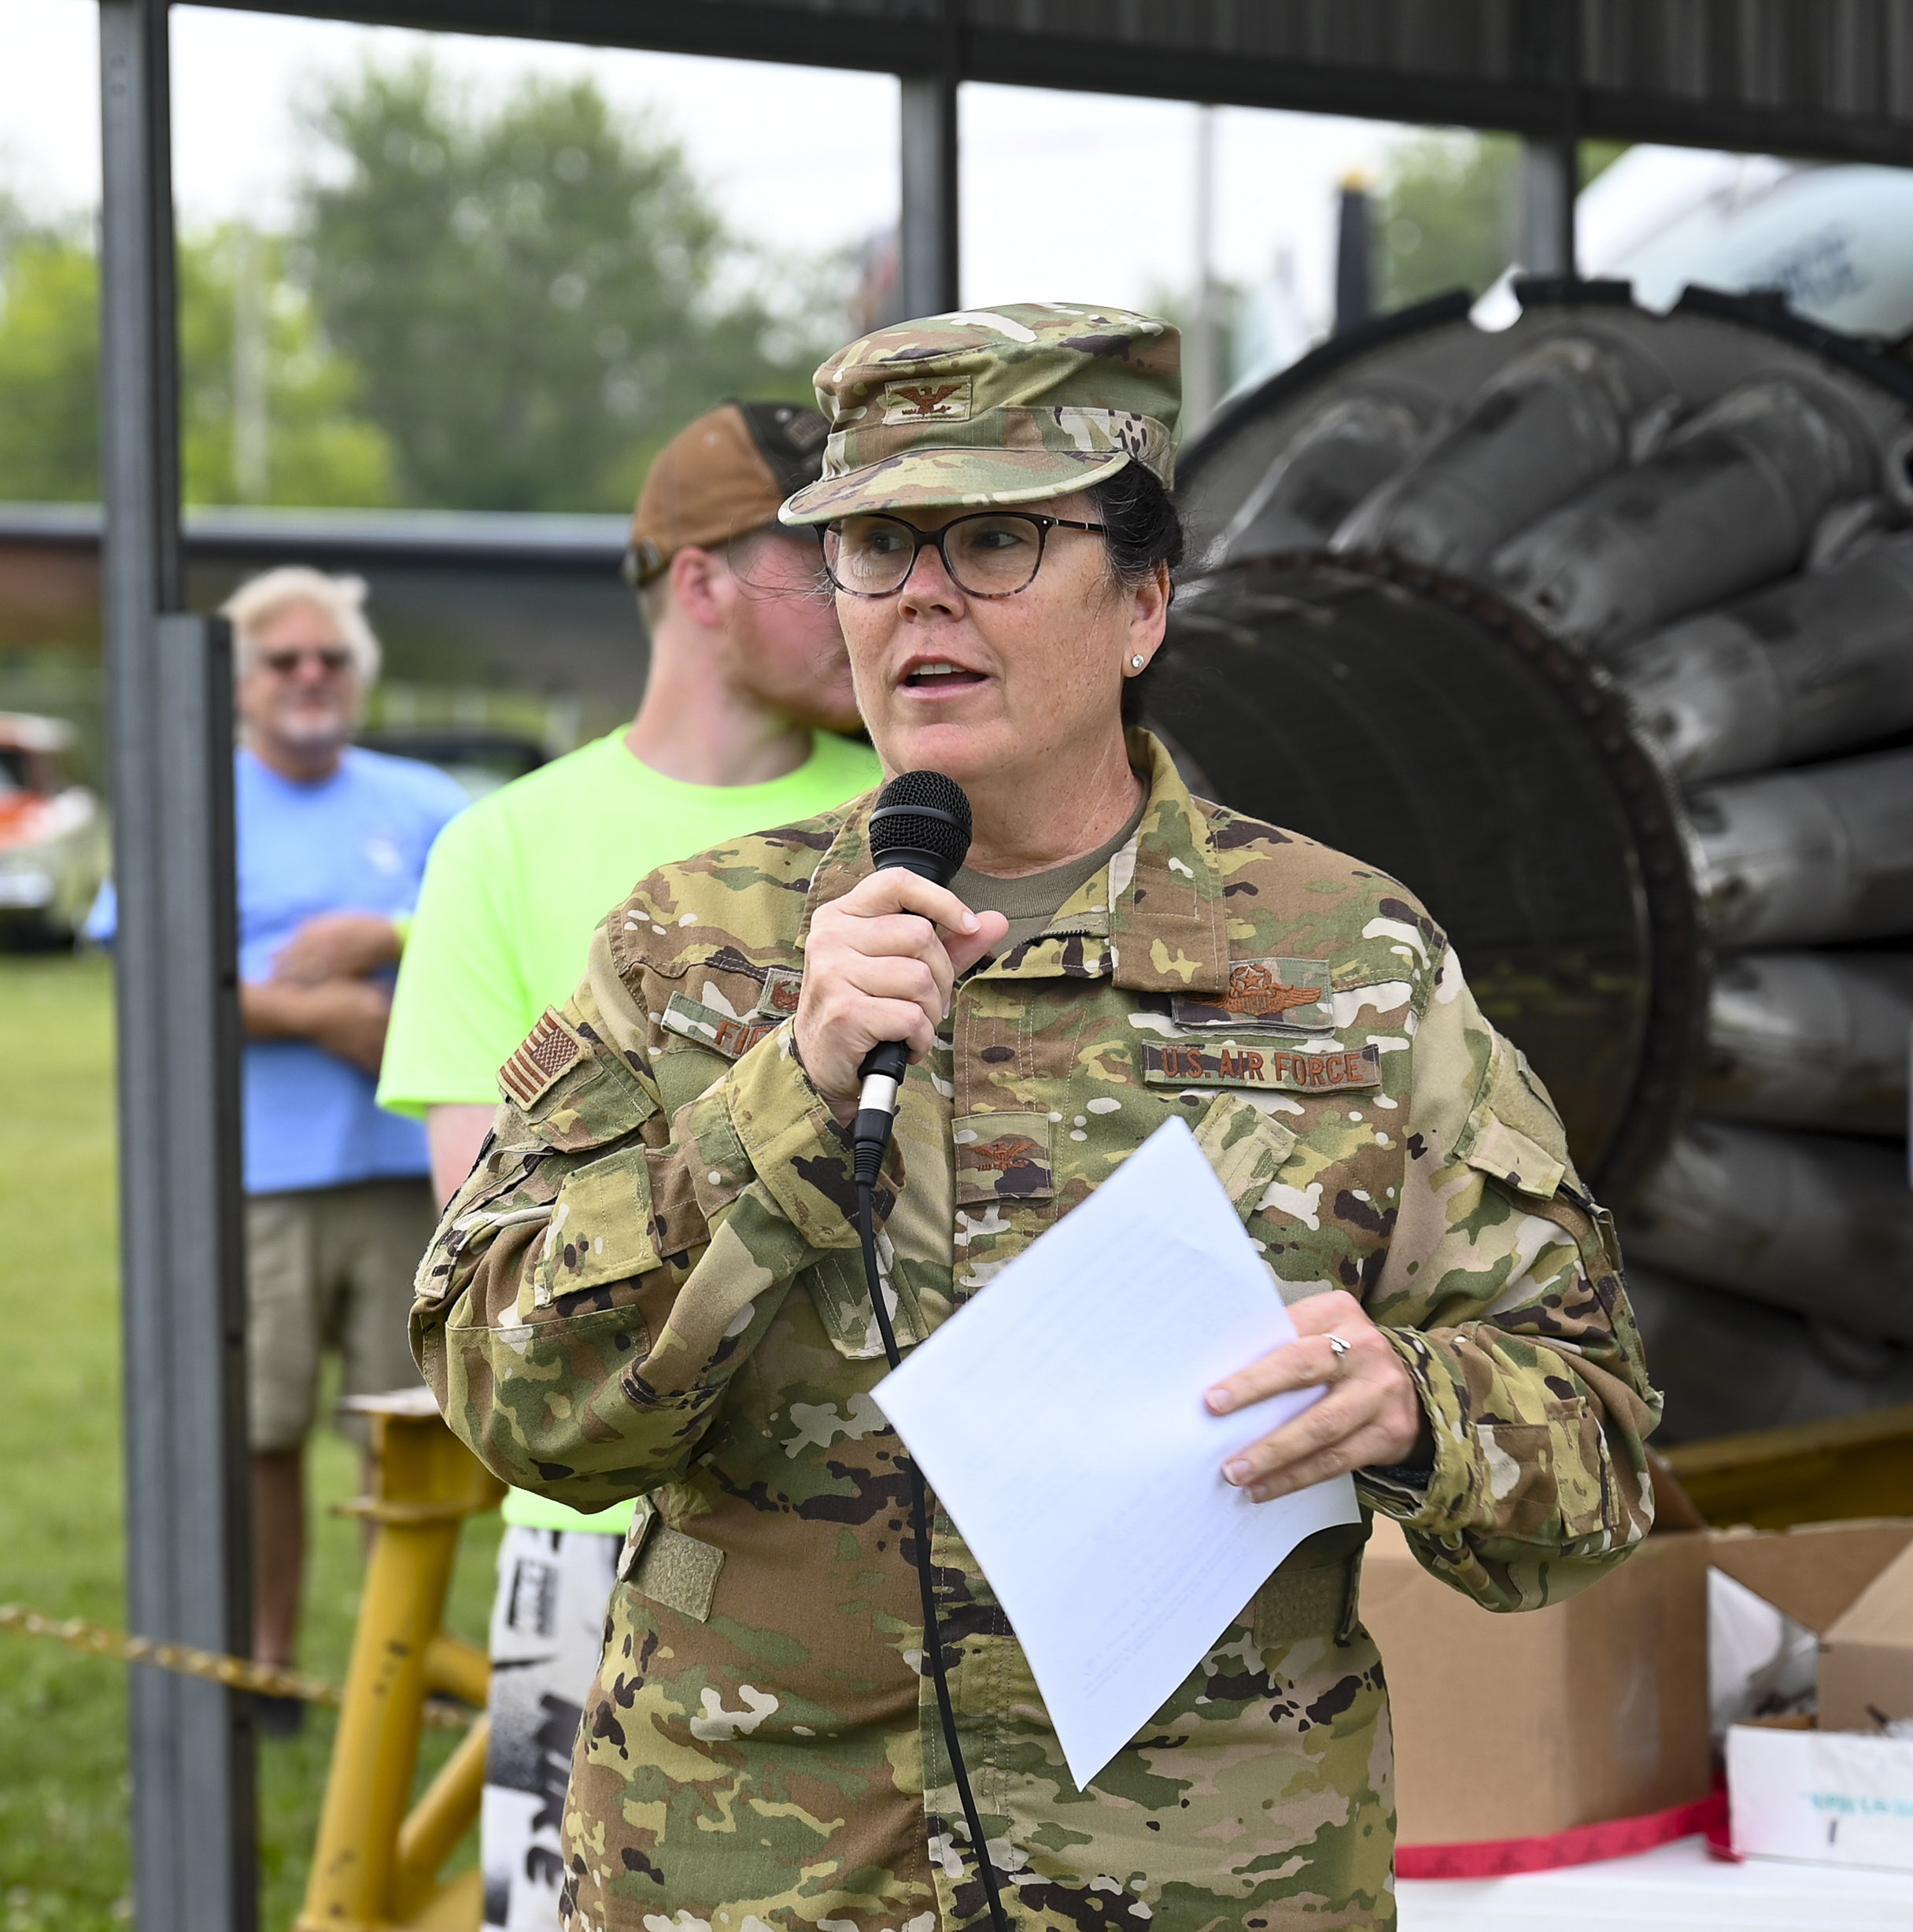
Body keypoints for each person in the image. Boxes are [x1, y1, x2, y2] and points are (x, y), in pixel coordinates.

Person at [411, 306, 1660, 1931]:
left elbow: (1597, 1455)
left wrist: (1413, 1407)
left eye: (995, 539)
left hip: (1207, 1882)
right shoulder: (690, 949)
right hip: (756, 1881)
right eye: (872, 547)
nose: (921, 594)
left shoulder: (1346, 961)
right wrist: (774, 1109)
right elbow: (515, 1399)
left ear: (1144, 601)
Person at [377, 400, 878, 1930]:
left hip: (858, 1536)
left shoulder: (923, 819)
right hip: (588, 1537)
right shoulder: (506, 847)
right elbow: (496, 1229)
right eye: (826, 557)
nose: (872, 597)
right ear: (701, 580)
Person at [94, 566, 469, 1727]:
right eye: (284, 661)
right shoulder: (190, 798)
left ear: (361, 677)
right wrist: (311, 1012)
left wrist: (386, 975)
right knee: (259, 1434)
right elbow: (142, 963)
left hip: (408, 1180)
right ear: (241, 687)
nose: (312, 678)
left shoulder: (426, 801)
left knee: (408, 1432)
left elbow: (483, 951)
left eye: (332, 660)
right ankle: (266, 1668)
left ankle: (396, 1666)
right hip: (255, 1181)